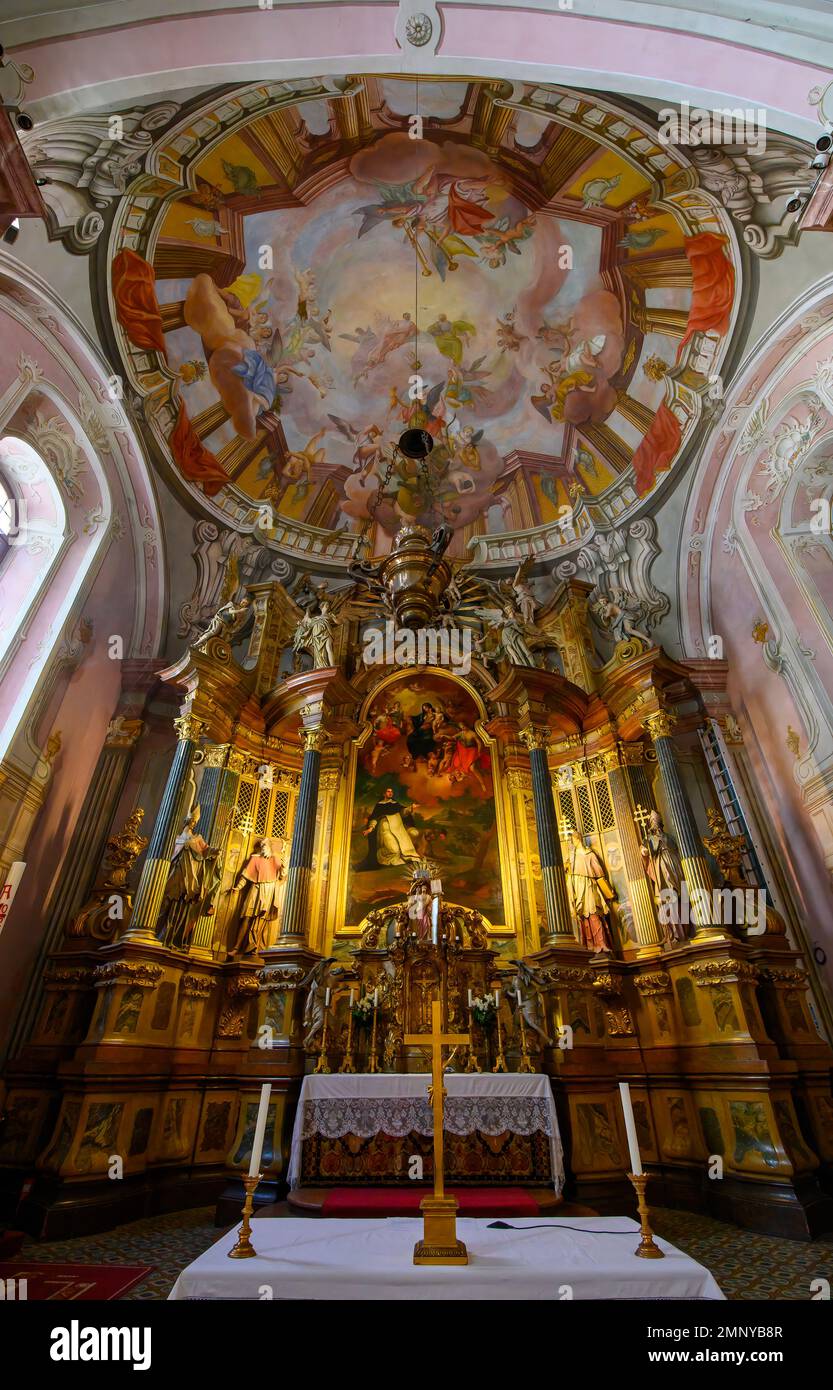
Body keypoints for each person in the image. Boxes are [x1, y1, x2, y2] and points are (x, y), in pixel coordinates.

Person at [229, 837, 285, 956]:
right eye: (262, 845)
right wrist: (238, 887)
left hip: (269, 890)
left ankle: (254, 947)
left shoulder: (275, 859)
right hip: (255, 888)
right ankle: (236, 947)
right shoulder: (255, 859)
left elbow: (282, 875)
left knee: (261, 919)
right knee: (247, 916)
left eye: (265, 844)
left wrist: (283, 865)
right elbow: (245, 876)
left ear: (269, 846)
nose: (263, 847)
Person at [640, 810, 688, 945]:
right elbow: (645, 852)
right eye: (653, 823)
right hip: (660, 865)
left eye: (658, 823)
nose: (656, 826)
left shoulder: (669, 837)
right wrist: (645, 850)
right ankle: (671, 934)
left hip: (672, 864)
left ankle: (681, 932)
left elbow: (676, 849)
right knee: (666, 898)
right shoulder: (649, 839)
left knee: (676, 896)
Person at [566, 828, 615, 954]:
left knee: (594, 913)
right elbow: (569, 874)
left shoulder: (589, 854)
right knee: (583, 917)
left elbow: (599, 872)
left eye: (573, 840)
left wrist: (607, 888)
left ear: (578, 839)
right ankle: (590, 946)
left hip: (589, 885)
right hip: (578, 886)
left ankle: (602, 943)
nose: (572, 843)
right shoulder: (572, 856)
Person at [359, 787, 420, 868]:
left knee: (405, 849)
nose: (390, 793)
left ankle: (406, 859)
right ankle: (380, 854)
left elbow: (403, 812)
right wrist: (370, 828)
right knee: (394, 850)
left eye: (391, 791)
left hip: (398, 828)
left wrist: (411, 807)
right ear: (384, 793)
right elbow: (374, 818)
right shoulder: (379, 805)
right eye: (388, 791)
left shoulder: (395, 804)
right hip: (385, 828)